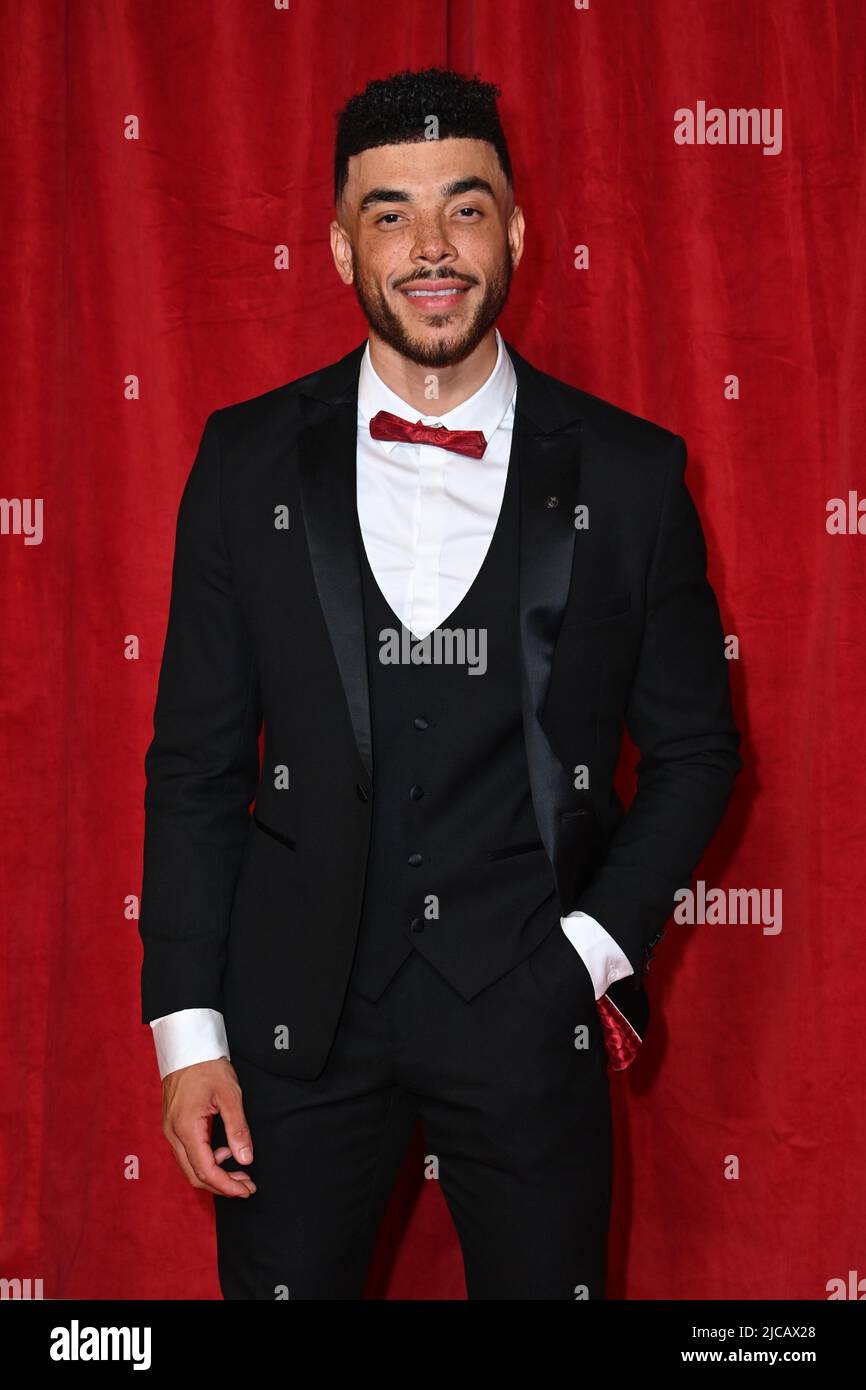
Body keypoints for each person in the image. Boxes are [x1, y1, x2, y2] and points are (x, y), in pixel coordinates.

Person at [139, 66, 741, 1300]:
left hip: (528, 1012)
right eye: (389, 212)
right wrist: (188, 1038)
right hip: (295, 1030)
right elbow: (195, 766)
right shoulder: (242, 455)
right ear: (337, 244)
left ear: (514, 231)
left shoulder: (629, 477)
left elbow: (695, 752)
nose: (429, 247)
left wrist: (584, 952)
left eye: (464, 209)